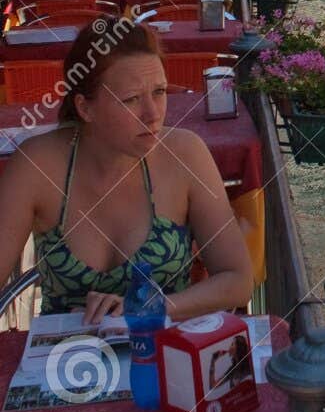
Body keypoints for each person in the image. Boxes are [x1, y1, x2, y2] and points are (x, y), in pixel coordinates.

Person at [0, 19, 253, 321]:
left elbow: (238, 280)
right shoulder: (36, 165)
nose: (153, 115)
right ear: (85, 108)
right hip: (63, 358)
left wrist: (155, 308)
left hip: (167, 353)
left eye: (159, 92)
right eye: (131, 99)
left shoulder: (185, 154)